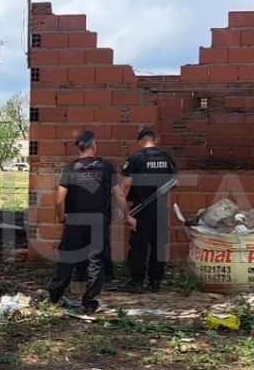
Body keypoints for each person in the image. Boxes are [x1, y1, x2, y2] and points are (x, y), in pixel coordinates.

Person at [45, 131, 119, 313]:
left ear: (79, 149)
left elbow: (60, 200)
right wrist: (128, 215)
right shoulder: (106, 168)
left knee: (67, 258)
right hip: (97, 220)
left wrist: (62, 217)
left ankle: (55, 295)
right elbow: (119, 193)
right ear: (94, 146)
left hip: (75, 219)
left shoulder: (70, 170)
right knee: (95, 261)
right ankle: (89, 302)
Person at [116, 127, 178, 293]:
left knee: (139, 246)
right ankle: (155, 281)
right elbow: (172, 183)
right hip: (161, 209)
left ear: (139, 141)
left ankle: (136, 282)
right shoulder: (166, 158)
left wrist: (124, 210)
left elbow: (127, 185)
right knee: (158, 245)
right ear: (155, 140)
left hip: (142, 209)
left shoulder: (136, 158)